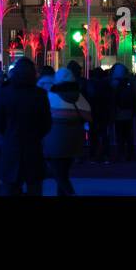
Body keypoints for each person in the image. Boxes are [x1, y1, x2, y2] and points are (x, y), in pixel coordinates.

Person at [0, 58, 51, 195]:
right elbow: (46, 123)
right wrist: (36, 135)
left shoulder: (4, 93)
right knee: (34, 186)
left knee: (10, 186)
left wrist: (8, 133)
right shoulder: (40, 94)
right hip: (33, 145)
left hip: (11, 144)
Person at [44, 67, 92, 195]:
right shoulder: (80, 97)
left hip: (54, 141)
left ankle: (70, 194)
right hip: (75, 141)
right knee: (63, 172)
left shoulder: (51, 96)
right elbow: (88, 116)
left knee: (59, 175)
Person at [109, 63, 136, 162]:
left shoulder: (114, 85)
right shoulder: (129, 84)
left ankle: (120, 154)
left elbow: (113, 100)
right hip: (128, 112)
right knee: (128, 135)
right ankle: (130, 154)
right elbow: (133, 99)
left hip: (118, 113)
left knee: (119, 135)